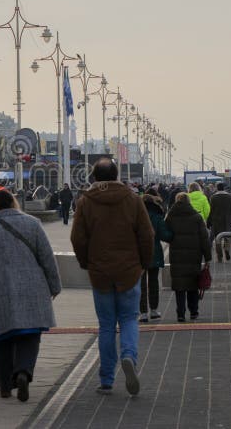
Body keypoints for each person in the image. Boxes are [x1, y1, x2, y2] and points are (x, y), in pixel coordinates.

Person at [0, 190, 61, 402]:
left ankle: (5, 386)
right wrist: (55, 286)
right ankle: (24, 372)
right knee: (29, 336)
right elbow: (47, 258)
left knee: (1, 340)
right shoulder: (33, 224)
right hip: (31, 290)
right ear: (14, 203)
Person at [70, 158, 153, 396]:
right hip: (129, 270)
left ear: (94, 177)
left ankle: (106, 379)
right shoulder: (132, 199)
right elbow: (146, 234)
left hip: (100, 272)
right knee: (129, 319)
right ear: (117, 176)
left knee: (106, 325)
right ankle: (129, 356)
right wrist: (144, 263)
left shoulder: (86, 201)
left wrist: (86, 262)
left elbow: (78, 237)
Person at [165, 193, 212, 322]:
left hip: (177, 255)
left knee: (179, 286)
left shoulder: (170, 216)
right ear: (188, 201)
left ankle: (180, 314)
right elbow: (204, 239)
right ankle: (194, 312)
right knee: (192, 284)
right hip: (194, 255)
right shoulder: (197, 217)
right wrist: (208, 257)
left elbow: (165, 234)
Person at [140, 189, 173, 323]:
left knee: (141, 284)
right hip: (154, 252)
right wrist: (174, 236)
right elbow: (165, 235)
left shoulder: (136, 215)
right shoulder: (157, 216)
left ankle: (142, 313)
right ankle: (154, 310)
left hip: (139, 253)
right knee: (153, 282)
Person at [208, 182, 231, 262]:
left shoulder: (213, 197)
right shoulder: (230, 197)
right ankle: (227, 250)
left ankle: (219, 256)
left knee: (218, 238)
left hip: (216, 220)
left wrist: (209, 221)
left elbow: (211, 210)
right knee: (227, 237)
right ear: (224, 188)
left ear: (217, 188)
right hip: (228, 220)